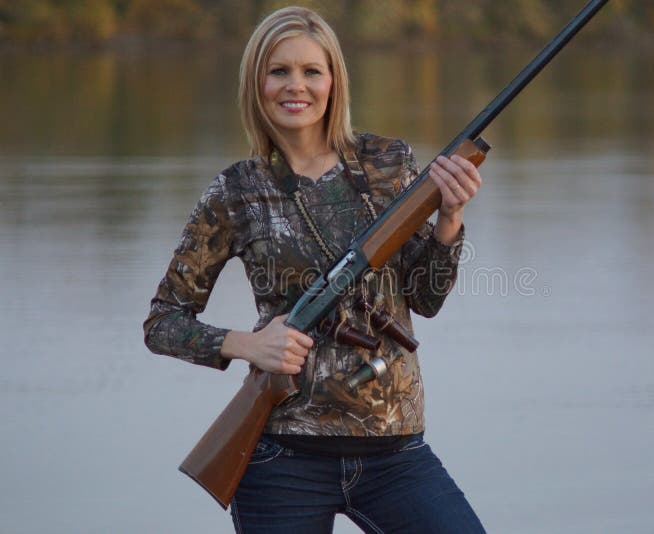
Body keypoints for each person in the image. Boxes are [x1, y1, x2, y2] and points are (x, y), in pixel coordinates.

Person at [143, 6, 485, 533]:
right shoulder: (236, 190)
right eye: (279, 71)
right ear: (256, 83)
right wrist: (246, 345)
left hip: (395, 453)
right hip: (282, 460)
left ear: (333, 82)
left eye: (311, 71)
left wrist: (450, 220)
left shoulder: (389, 163)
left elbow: (426, 299)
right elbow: (163, 322)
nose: (295, 85)